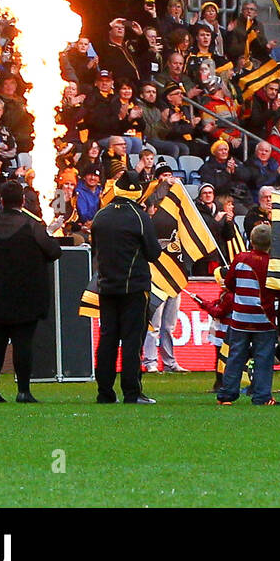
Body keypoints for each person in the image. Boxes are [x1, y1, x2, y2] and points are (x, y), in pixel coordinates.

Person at [0, 180, 63, 403]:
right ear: (22, 201)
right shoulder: (31, 225)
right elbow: (53, 251)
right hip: (25, 295)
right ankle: (23, 391)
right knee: (23, 343)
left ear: (1, 200)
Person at [91, 172, 162, 404]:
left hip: (106, 287)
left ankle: (104, 392)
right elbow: (153, 253)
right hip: (134, 288)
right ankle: (132, 392)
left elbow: (96, 249)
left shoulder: (101, 216)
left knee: (107, 339)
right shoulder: (140, 217)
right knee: (132, 341)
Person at [216, 223, 280, 406]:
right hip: (265, 319)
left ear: (251, 240)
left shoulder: (241, 258)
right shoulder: (273, 263)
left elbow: (229, 284)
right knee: (263, 358)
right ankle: (262, 396)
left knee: (235, 356)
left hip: (240, 318)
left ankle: (226, 395)